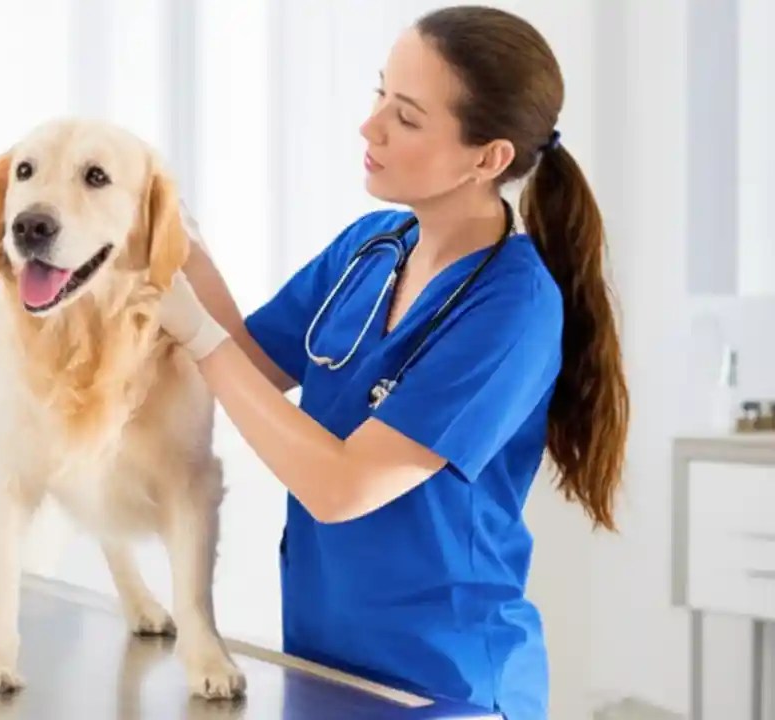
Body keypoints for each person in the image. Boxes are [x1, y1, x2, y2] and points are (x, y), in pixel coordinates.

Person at [156, 7, 629, 720]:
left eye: (405, 116)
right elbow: (249, 362)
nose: (370, 126)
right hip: (326, 664)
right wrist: (177, 235)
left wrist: (199, 338)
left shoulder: (514, 307)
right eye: (380, 94)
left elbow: (342, 487)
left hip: (445, 684)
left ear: (488, 158)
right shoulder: (372, 247)